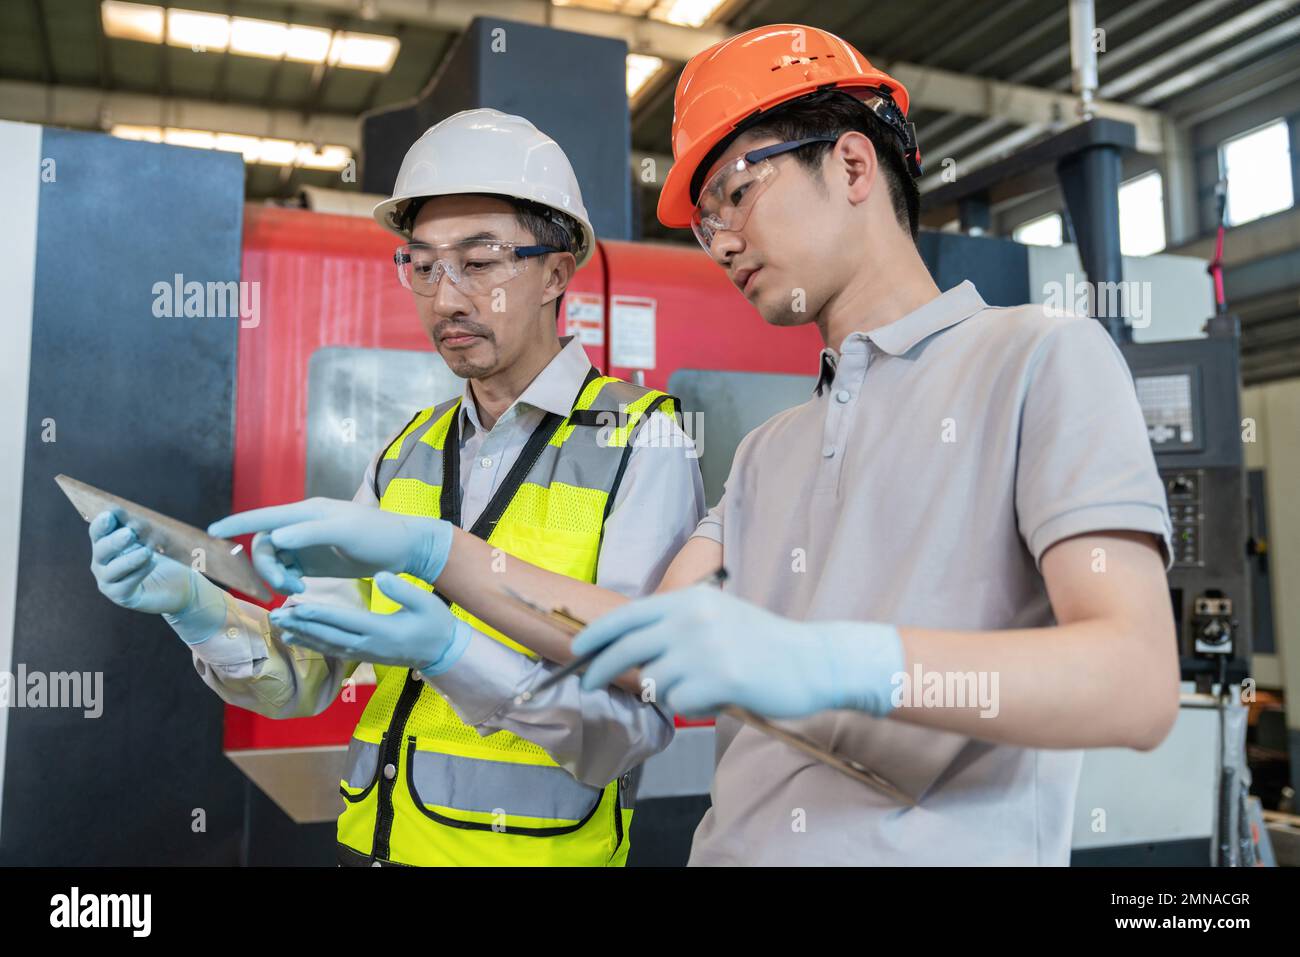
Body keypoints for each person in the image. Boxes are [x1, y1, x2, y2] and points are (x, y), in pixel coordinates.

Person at [215, 25, 1180, 866]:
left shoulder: (1039, 361)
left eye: (735, 193)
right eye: (704, 215)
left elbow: (1134, 680)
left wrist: (834, 664)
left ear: (850, 166)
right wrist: (440, 555)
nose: (717, 240)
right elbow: (636, 643)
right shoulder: (768, 451)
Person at [87, 108, 705, 867]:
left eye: (480, 263)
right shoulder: (407, 453)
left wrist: (453, 654)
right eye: (422, 263)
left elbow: (628, 733)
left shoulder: (642, 442)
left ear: (556, 270)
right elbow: (304, 676)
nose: (444, 299)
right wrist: (195, 607)